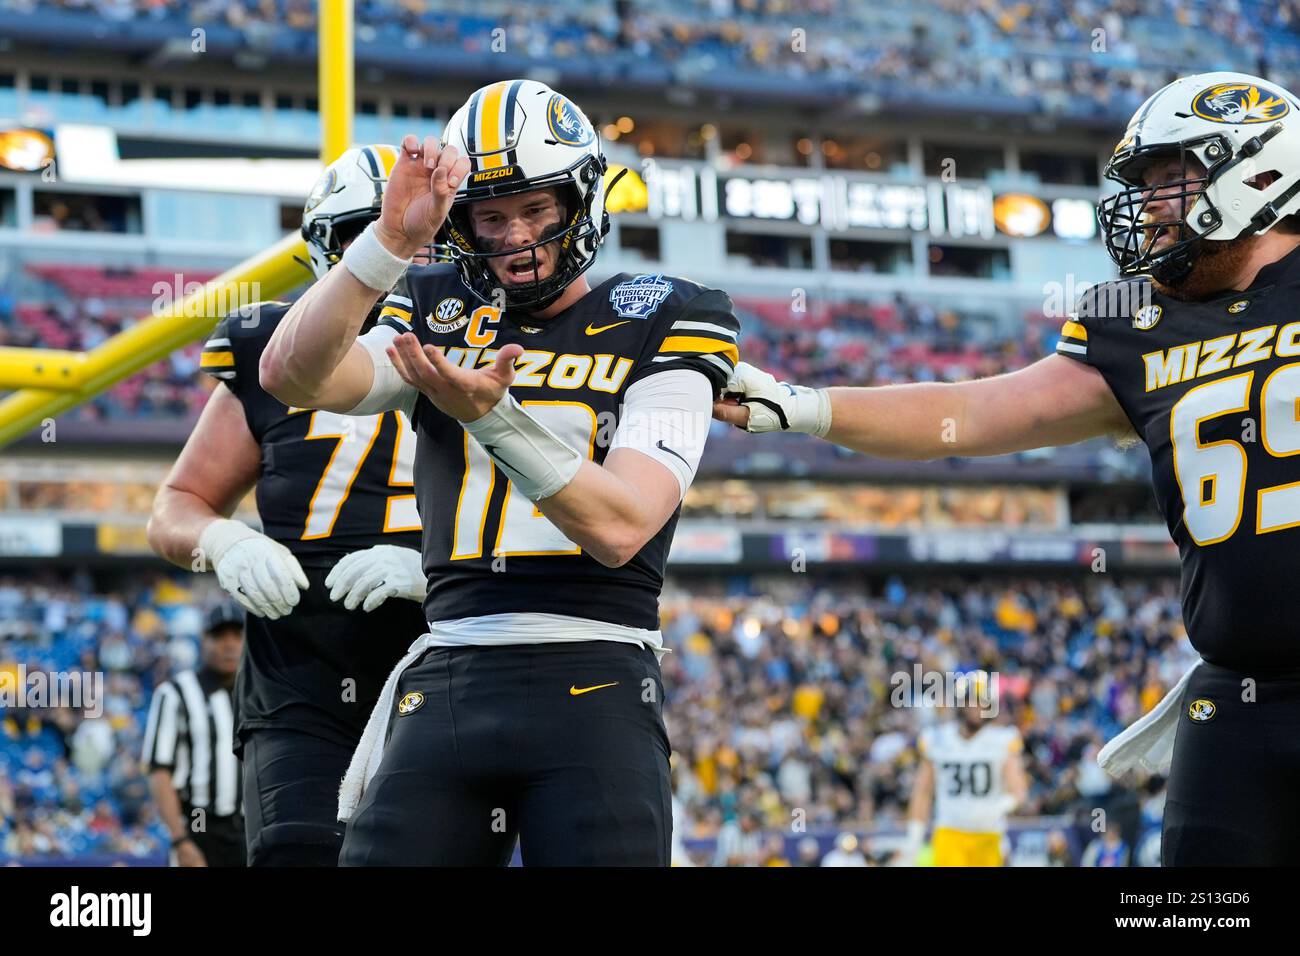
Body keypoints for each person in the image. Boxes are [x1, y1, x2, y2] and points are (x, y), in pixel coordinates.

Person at [716, 71, 1300, 866]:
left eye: (1173, 177)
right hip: (1232, 704)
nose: (1154, 205)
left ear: (1259, 169)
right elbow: (968, 416)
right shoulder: (1137, 325)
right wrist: (807, 405)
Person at [259, 79, 741, 866]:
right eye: (490, 215)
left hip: (595, 672)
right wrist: (383, 244)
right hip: (449, 670)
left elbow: (621, 526)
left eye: (536, 209)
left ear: (578, 202)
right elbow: (292, 375)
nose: (515, 235)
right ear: (459, 222)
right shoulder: (437, 305)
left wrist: (490, 416)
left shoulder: (669, 311)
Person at [147, 145, 430, 866]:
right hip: (302, 677)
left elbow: (565, 521)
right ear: (323, 252)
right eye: (364, 236)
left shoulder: (495, 344)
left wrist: (442, 565)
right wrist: (224, 541)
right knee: (297, 853)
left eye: (401, 234)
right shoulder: (269, 350)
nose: (389, 257)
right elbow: (178, 505)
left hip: (448, 664)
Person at [140, 603, 246, 867]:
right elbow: (159, 771)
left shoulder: (258, 694)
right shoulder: (175, 693)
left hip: (250, 830)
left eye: (237, 636)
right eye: (220, 636)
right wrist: (180, 840)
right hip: (200, 828)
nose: (229, 645)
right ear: (203, 641)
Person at [904, 672, 1028, 867]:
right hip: (950, 832)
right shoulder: (937, 738)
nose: (976, 707)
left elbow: (1019, 791)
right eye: (971, 700)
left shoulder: (1003, 739)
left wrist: (1001, 806)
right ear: (959, 701)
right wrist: (914, 837)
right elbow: (922, 792)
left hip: (989, 834)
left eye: (982, 701)